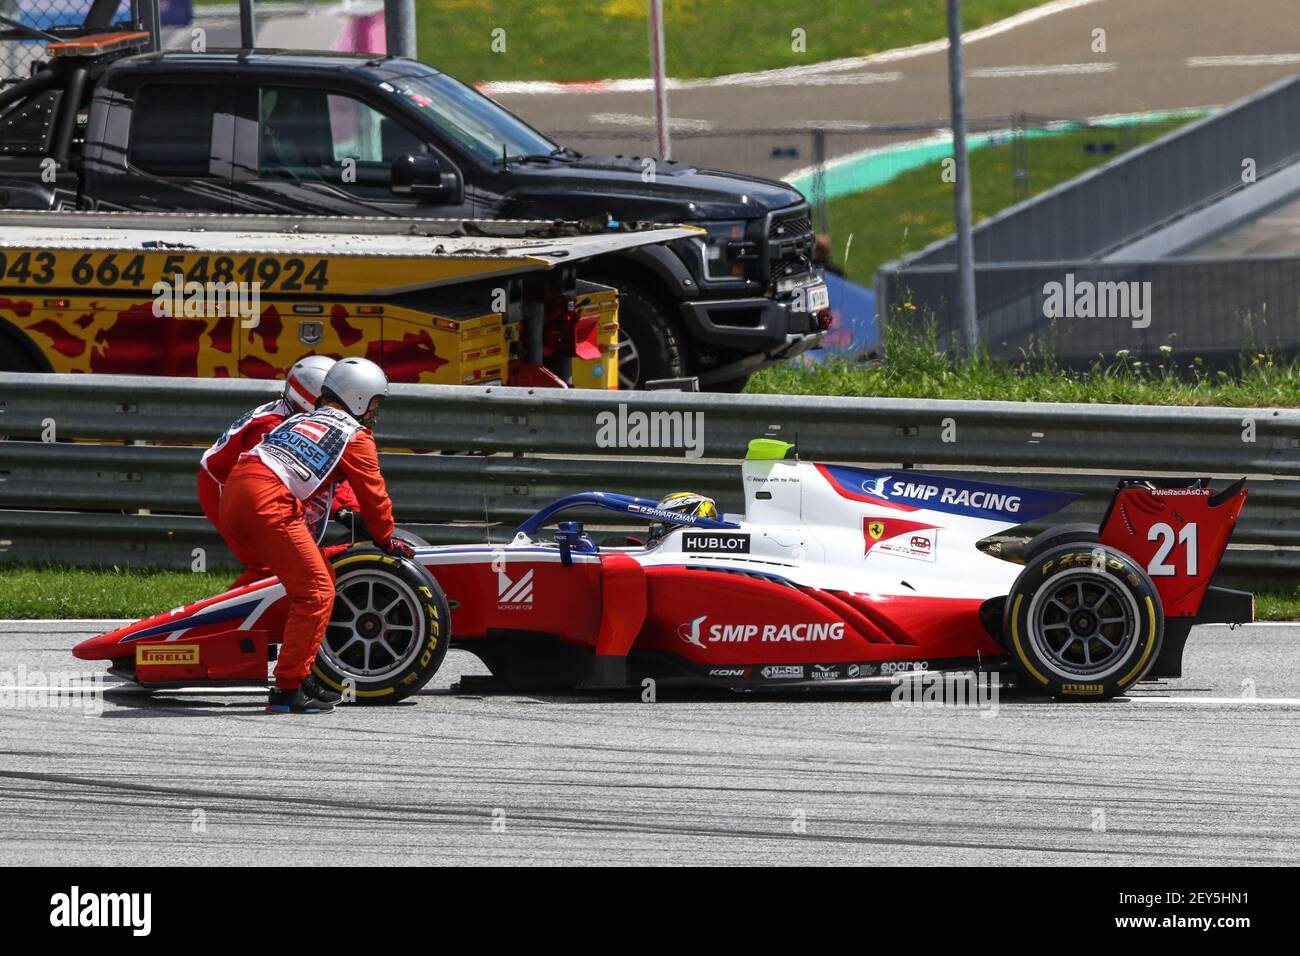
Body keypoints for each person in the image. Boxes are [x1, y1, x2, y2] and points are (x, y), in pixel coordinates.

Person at [219, 357, 414, 714]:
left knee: (316, 576)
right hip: (267, 501)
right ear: (357, 398)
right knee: (317, 592)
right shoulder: (356, 437)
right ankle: (287, 691)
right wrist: (385, 539)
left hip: (236, 492)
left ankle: (298, 673)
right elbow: (374, 496)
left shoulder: (303, 418)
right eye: (374, 403)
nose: (374, 413)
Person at [197, 356, 359, 589]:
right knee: (269, 565)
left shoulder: (298, 417)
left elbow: (328, 469)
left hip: (250, 485)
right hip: (222, 485)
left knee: (287, 560)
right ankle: (220, 620)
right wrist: (344, 512)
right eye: (333, 399)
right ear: (312, 398)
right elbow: (293, 478)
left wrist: (352, 510)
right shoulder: (271, 427)